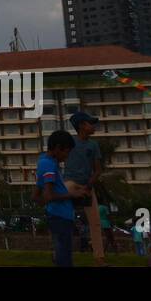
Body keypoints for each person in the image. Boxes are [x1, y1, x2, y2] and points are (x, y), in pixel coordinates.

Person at [36, 129, 78, 267]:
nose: (67, 156)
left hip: (57, 215)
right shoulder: (49, 165)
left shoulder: (44, 162)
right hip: (60, 217)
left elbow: (36, 195)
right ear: (58, 148)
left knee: (62, 254)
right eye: (66, 152)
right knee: (64, 257)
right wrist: (71, 195)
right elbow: (49, 195)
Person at [65, 111, 103, 262]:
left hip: (87, 185)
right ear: (81, 126)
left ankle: (99, 259)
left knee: (96, 222)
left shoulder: (93, 145)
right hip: (70, 183)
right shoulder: (69, 143)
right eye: (90, 123)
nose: (93, 126)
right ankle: (61, 253)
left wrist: (88, 186)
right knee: (64, 219)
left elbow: (98, 170)